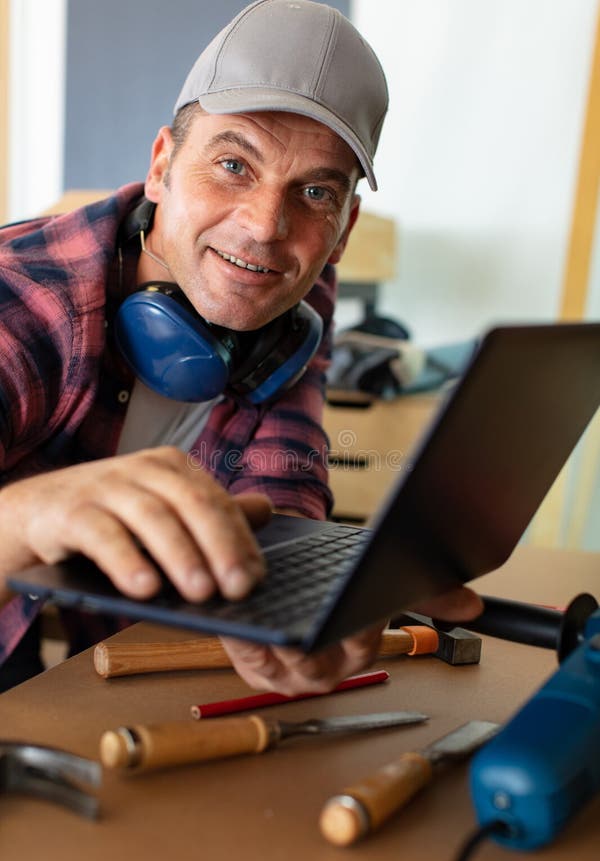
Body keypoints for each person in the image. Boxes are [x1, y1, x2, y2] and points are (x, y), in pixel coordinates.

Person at [0, 0, 481, 694]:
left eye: (314, 191)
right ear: (163, 165)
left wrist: (286, 597)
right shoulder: (24, 300)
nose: (263, 227)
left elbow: (282, 488)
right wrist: (25, 517)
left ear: (343, 229)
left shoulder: (292, 297)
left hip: (108, 661)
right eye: (233, 164)